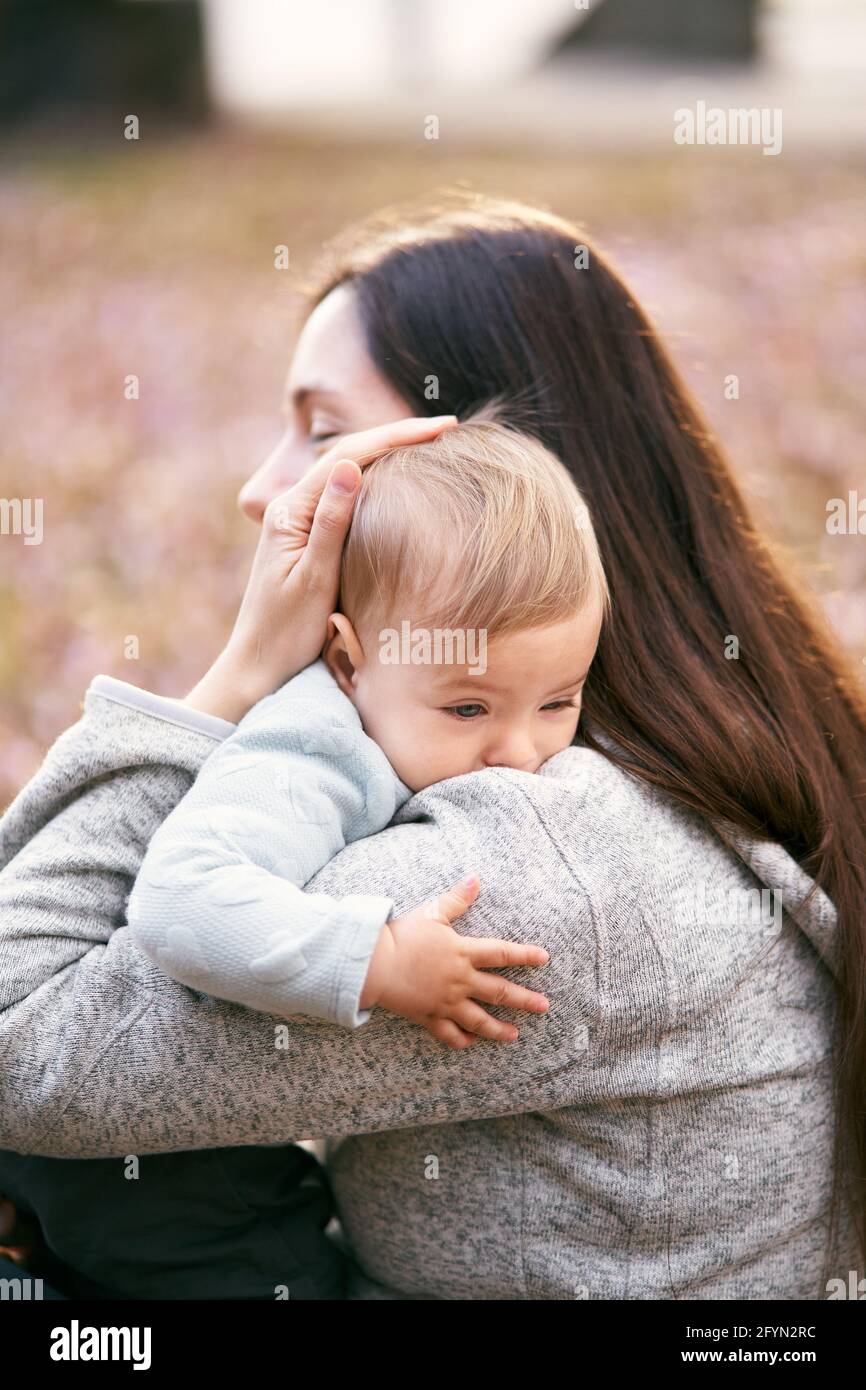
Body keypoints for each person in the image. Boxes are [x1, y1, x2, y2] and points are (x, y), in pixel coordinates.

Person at [0, 196, 864, 1300]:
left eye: (323, 433)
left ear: (497, 483)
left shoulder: (538, 854)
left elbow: (18, 1041)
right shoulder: (640, 772)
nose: (261, 490)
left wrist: (228, 683)